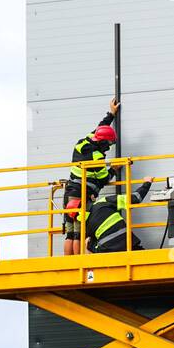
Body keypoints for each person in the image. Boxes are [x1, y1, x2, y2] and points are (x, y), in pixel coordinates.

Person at [62, 98, 119, 255]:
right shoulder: (96, 156)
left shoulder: (84, 141)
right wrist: (114, 169)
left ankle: (68, 264)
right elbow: (103, 179)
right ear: (102, 143)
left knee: (70, 232)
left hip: (70, 192)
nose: (107, 148)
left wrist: (111, 114)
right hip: (83, 195)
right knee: (79, 232)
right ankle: (78, 263)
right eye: (107, 144)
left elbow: (100, 128)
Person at [87, 177, 153, 253]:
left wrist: (90, 245)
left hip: (107, 252)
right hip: (128, 244)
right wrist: (147, 183)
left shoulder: (79, 218)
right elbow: (134, 199)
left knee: (88, 243)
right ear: (92, 197)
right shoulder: (103, 202)